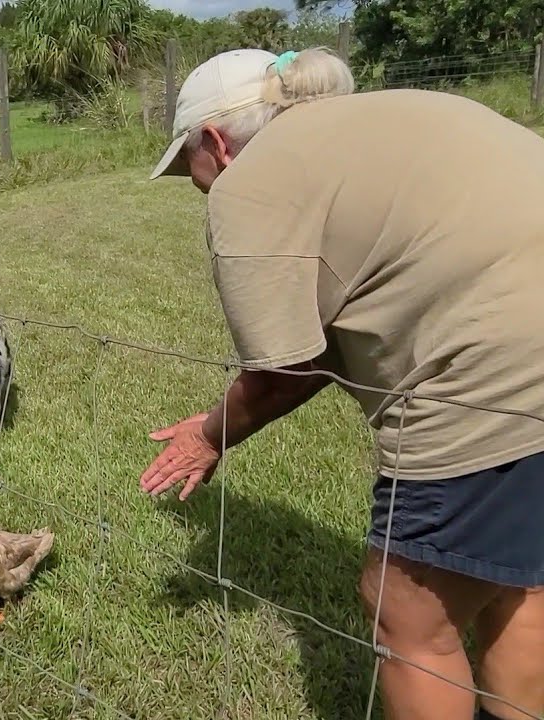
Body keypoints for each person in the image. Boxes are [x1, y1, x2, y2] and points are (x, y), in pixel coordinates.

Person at [140, 46, 544, 720]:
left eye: (189, 167)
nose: (197, 184)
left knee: (407, 614)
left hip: (490, 367)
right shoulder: (389, 113)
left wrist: (209, 435)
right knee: (518, 582)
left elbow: (286, 370)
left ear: (215, 140)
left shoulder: (252, 181)